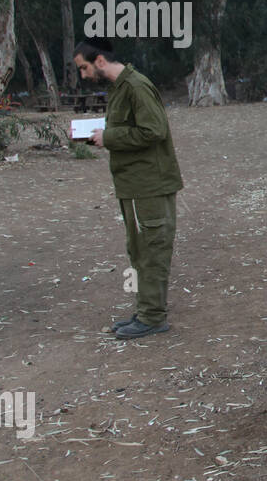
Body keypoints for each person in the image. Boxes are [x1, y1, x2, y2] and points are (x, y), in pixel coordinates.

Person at [73, 37, 184, 339]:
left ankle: (152, 317)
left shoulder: (135, 86)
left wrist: (108, 137)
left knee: (152, 250)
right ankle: (146, 309)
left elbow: (154, 130)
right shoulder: (120, 88)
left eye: (83, 68)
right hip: (134, 186)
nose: (83, 76)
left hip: (149, 185)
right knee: (138, 249)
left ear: (98, 61)